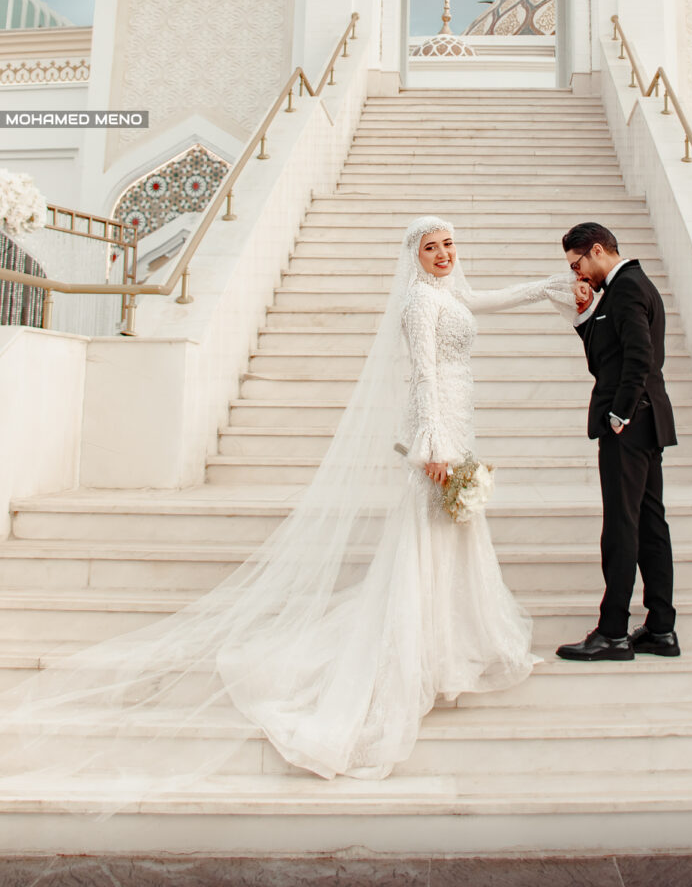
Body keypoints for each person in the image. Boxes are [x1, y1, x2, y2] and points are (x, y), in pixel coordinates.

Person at [0, 215, 576, 805]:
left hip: (460, 418)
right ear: (415, 257)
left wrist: (545, 287)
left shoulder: (448, 293)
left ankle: (454, 638)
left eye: (449, 244)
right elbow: (423, 376)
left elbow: (482, 298)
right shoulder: (417, 304)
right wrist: (432, 444)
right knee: (431, 530)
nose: (444, 254)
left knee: (452, 530)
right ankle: (425, 647)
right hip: (438, 429)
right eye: (432, 248)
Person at [555, 222, 679, 662]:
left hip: (631, 423)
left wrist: (620, 414)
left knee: (622, 528)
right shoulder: (629, 285)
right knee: (649, 524)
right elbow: (605, 355)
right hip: (648, 421)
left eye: (578, 265)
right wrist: (586, 312)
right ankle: (661, 629)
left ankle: (612, 632)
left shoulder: (626, 287)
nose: (577, 276)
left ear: (596, 250)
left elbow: (640, 357)